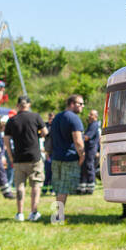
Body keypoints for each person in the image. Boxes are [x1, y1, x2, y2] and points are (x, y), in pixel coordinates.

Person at [6, 96, 46, 222]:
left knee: (19, 185)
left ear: (18, 105)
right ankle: (34, 212)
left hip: (18, 157)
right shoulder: (36, 117)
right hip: (34, 156)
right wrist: (37, 134)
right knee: (35, 185)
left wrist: (11, 156)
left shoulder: (11, 121)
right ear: (28, 104)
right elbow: (45, 132)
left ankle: (20, 213)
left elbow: (6, 140)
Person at [48, 94, 86, 225]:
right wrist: (82, 155)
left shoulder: (57, 117)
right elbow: (78, 140)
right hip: (68, 158)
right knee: (63, 189)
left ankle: (57, 215)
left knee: (58, 188)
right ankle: (58, 216)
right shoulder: (74, 118)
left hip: (56, 157)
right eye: (80, 104)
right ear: (72, 104)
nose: (82, 106)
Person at [80, 109, 100, 194]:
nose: (89, 115)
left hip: (91, 149)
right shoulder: (90, 124)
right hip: (87, 149)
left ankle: (90, 188)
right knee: (84, 167)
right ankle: (83, 188)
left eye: (91, 114)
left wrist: (77, 136)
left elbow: (87, 137)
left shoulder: (94, 125)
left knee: (89, 166)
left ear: (95, 117)